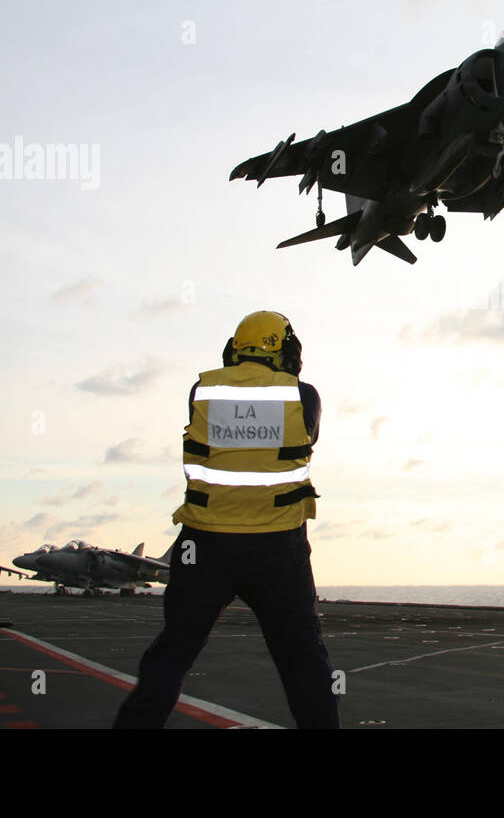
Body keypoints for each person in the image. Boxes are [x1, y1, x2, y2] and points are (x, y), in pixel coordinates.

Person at [113, 310, 340, 728]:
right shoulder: (304, 396)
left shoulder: (203, 390)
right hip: (277, 547)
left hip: (204, 545)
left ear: (233, 349)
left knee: (173, 654)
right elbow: (306, 438)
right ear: (287, 350)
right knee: (303, 660)